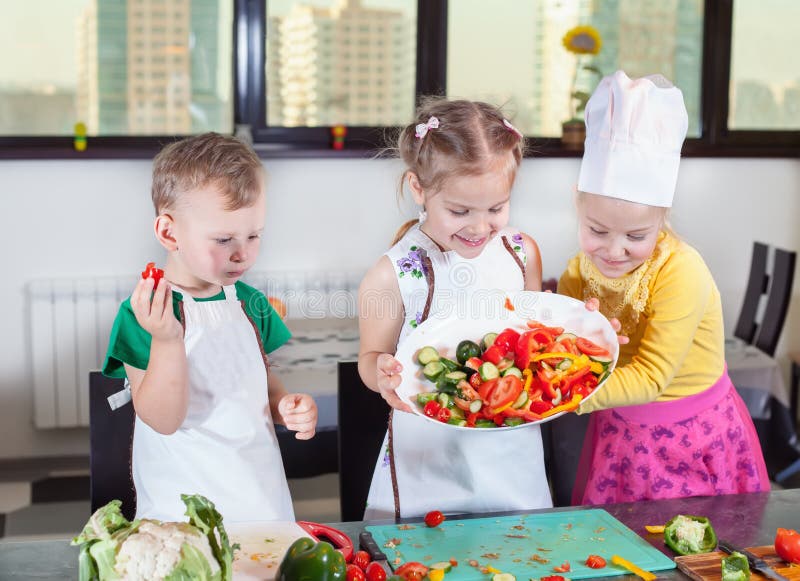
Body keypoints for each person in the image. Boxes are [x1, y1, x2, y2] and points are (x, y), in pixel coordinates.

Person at [558, 71, 769, 505]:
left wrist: (560, 400)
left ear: (662, 221)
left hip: (691, 436)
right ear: (579, 209)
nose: (614, 251)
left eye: (636, 237)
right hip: (619, 428)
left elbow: (652, 377)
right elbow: (564, 348)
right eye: (597, 230)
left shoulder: (681, 272)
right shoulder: (578, 273)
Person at [102, 132, 318, 522]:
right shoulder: (143, 313)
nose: (244, 253)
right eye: (224, 239)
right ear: (169, 233)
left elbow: (263, 385)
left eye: (254, 235)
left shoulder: (250, 302)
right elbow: (163, 420)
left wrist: (285, 406)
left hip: (260, 503)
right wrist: (168, 339)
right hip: (182, 515)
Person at [358, 98, 553, 519]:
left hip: (511, 455)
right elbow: (370, 358)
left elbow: (537, 340)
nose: (480, 227)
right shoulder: (392, 275)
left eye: (496, 208)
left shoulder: (522, 253)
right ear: (419, 188)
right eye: (460, 211)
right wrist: (382, 373)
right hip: (428, 461)